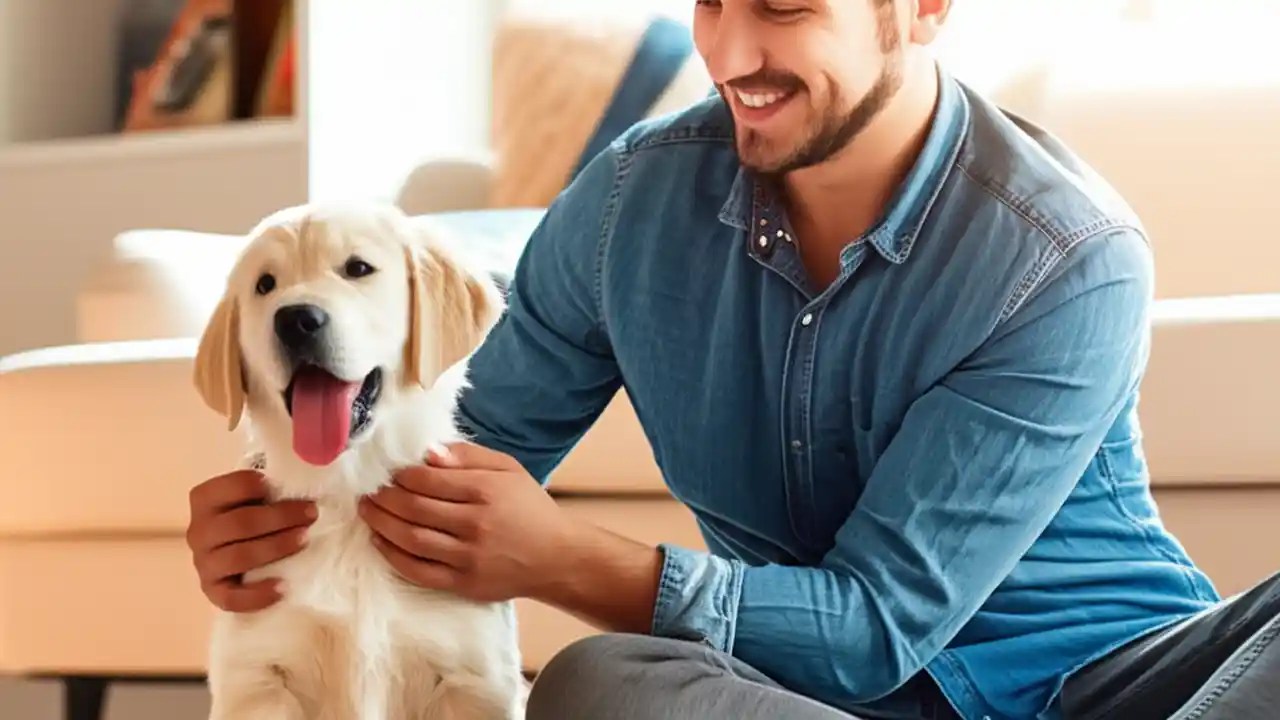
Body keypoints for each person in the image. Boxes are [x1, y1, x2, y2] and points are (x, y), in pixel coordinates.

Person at [185, 1, 1280, 718]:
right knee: (601, 690)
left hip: (1113, 689)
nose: (730, 54)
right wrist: (289, 512)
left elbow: (877, 627)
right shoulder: (631, 205)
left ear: (922, 11)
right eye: (711, 1)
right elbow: (454, 453)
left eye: (784, 7)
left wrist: (566, 559)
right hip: (805, 709)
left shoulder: (1061, 257)